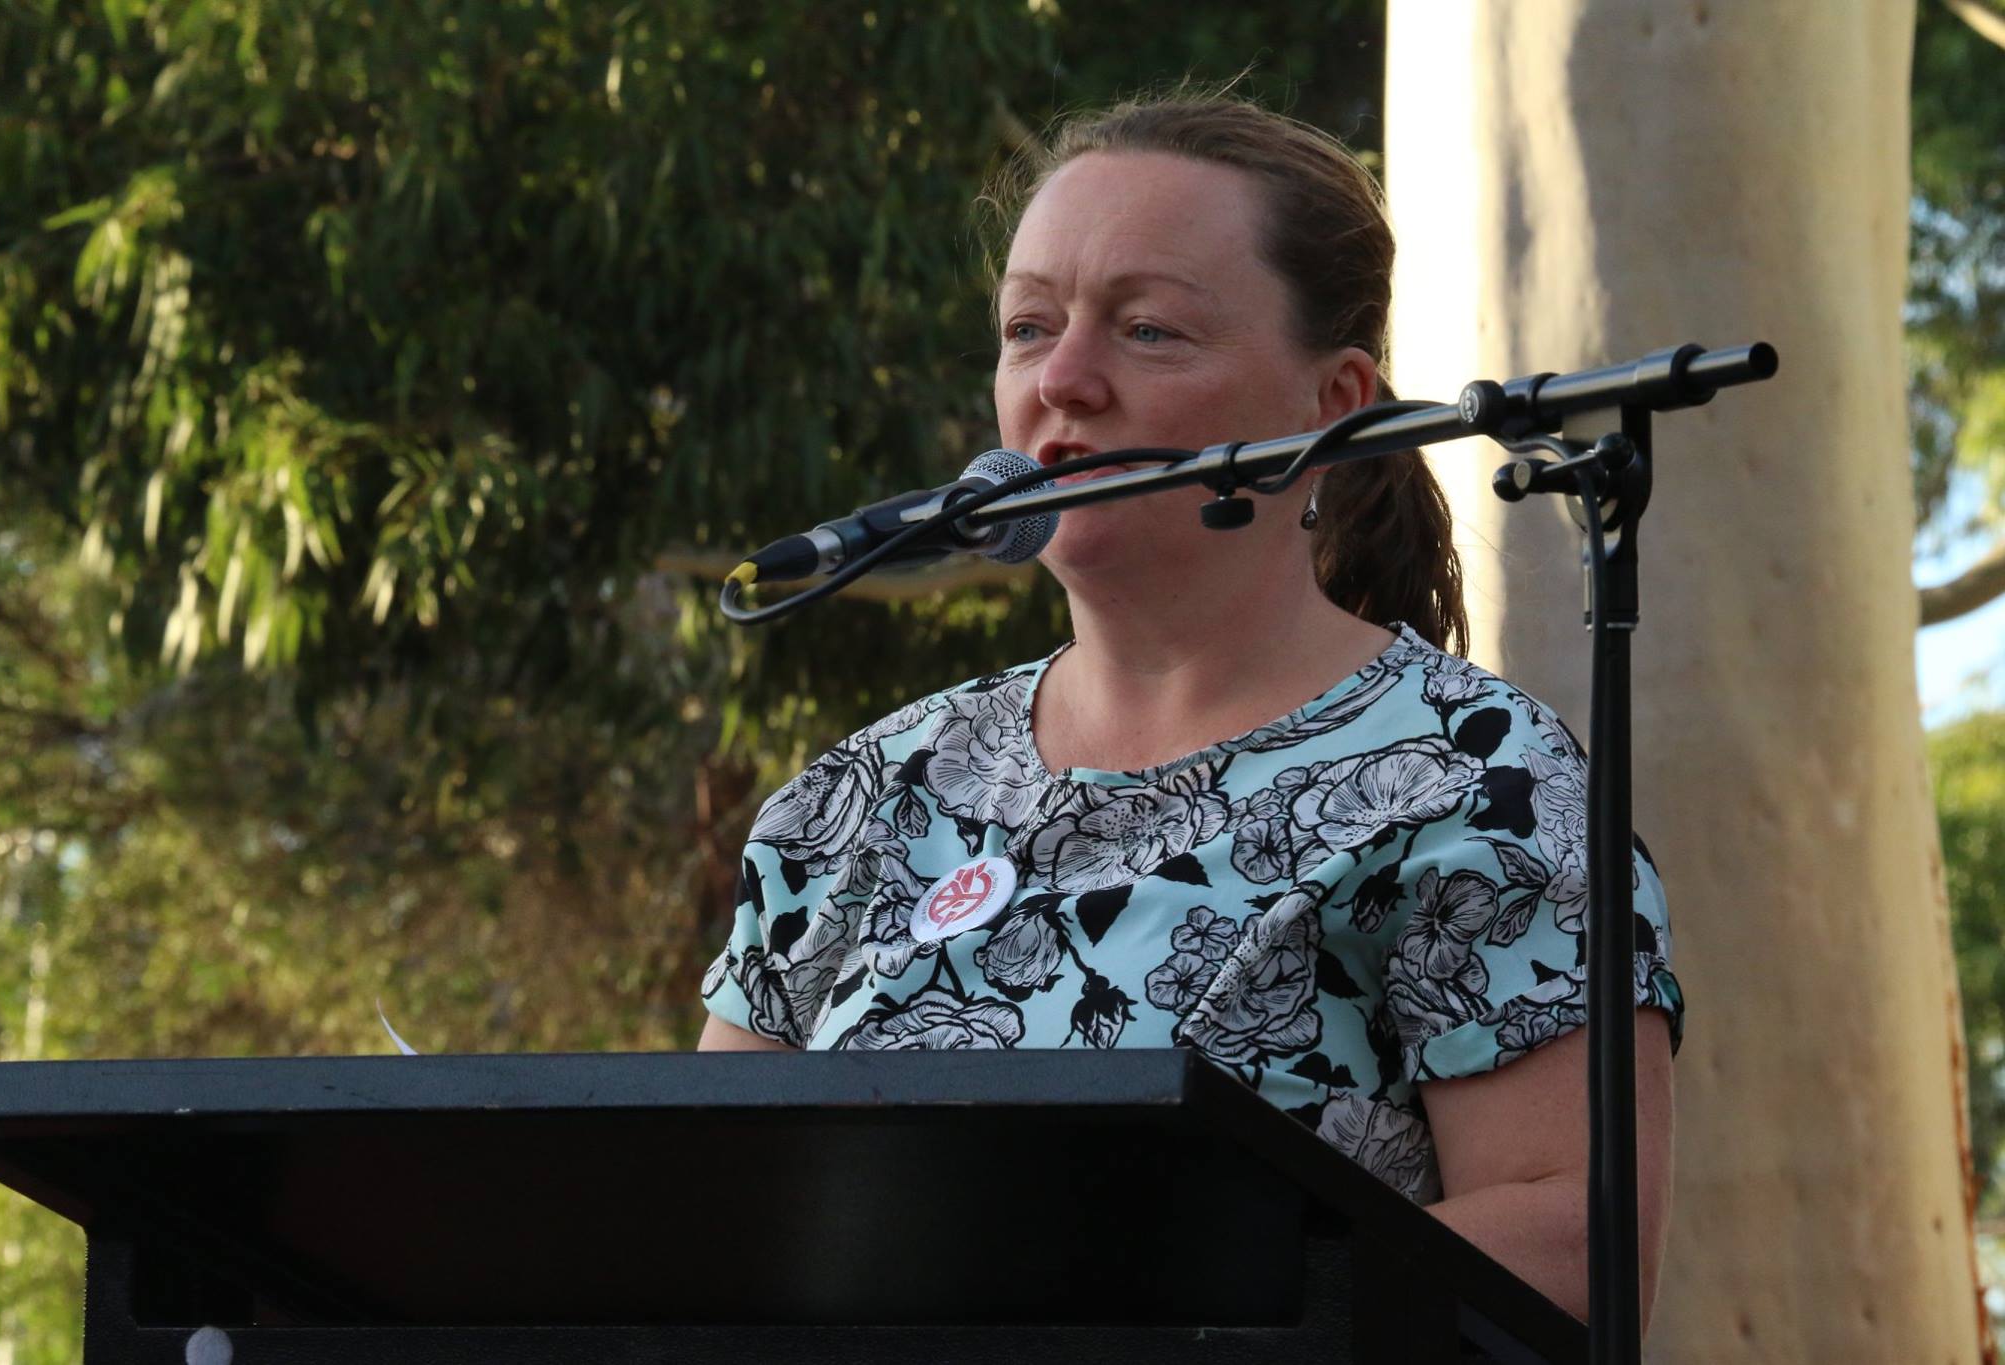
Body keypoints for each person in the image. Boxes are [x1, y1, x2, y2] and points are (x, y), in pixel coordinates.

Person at [697, 92, 1681, 1326]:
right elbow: (709, 1224)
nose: (1062, 380)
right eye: (1026, 327)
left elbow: (1572, 1248)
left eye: (1149, 331)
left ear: (1331, 405)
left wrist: (1117, 1310)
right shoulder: (855, 798)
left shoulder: (1474, 781)